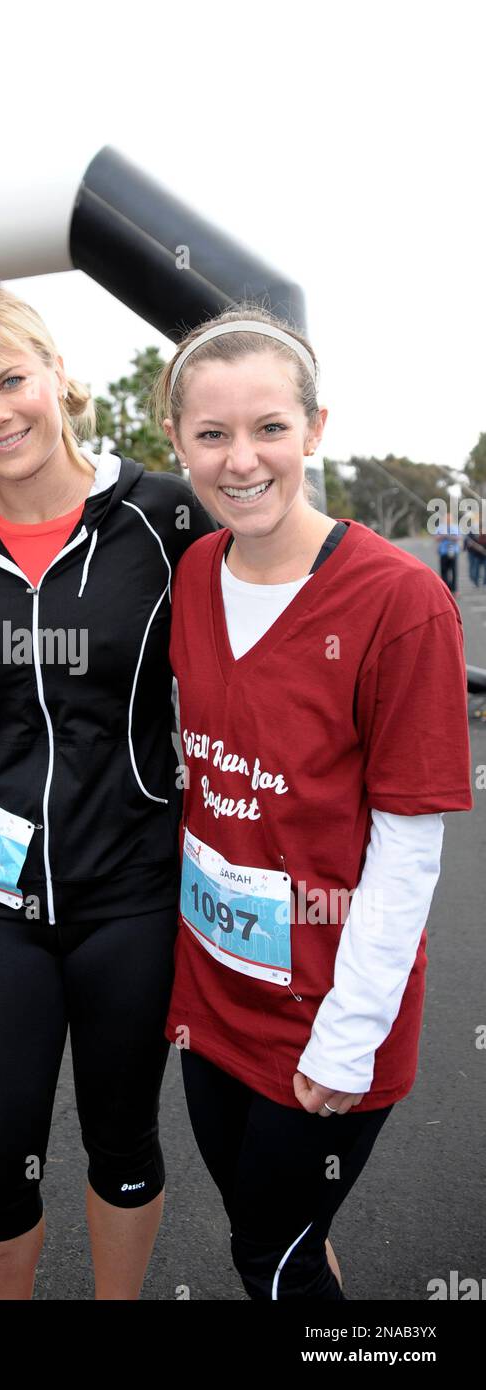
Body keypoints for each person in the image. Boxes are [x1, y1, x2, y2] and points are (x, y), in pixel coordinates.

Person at [154, 305, 472, 1300]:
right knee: (283, 1233)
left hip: (328, 1011)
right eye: (212, 434)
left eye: (270, 429)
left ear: (315, 429)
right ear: (177, 442)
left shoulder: (400, 602)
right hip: (212, 998)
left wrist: (349, 1031)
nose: (241, 460)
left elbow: (409, 844)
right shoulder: (195, 572)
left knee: (270, 1256)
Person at [0, 284, 216, 1300]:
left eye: (10, 380)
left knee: (123, 1140)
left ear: (58, 380)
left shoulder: (163, 513)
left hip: (129, 890)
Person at [436, 518, 461, 591]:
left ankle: (454, 589)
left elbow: (459, 537)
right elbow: (436, 538)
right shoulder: (440, 528)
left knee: (454, 571)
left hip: (453, 552)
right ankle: (446, 588)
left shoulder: (455, 527)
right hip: (443, 552)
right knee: (444, 571)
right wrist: (443, 536)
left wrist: (449, 536)